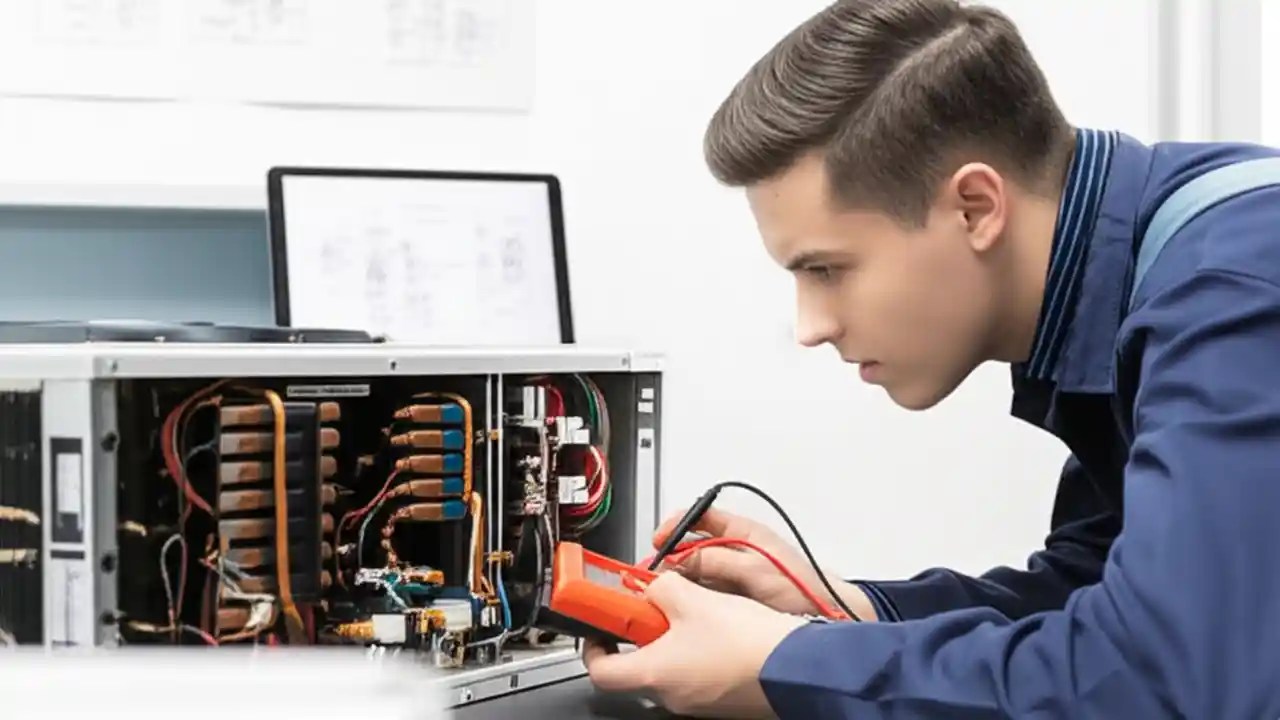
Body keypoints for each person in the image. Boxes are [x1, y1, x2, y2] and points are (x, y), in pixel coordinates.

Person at [582, 0, 1280, 717]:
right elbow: (1093, 590)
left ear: (975, 207)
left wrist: (781, 666)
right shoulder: (1144, 277)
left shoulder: (1232, 297)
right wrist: (847, 606)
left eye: (826, 270)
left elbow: (1159, 680)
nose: (810, 327)